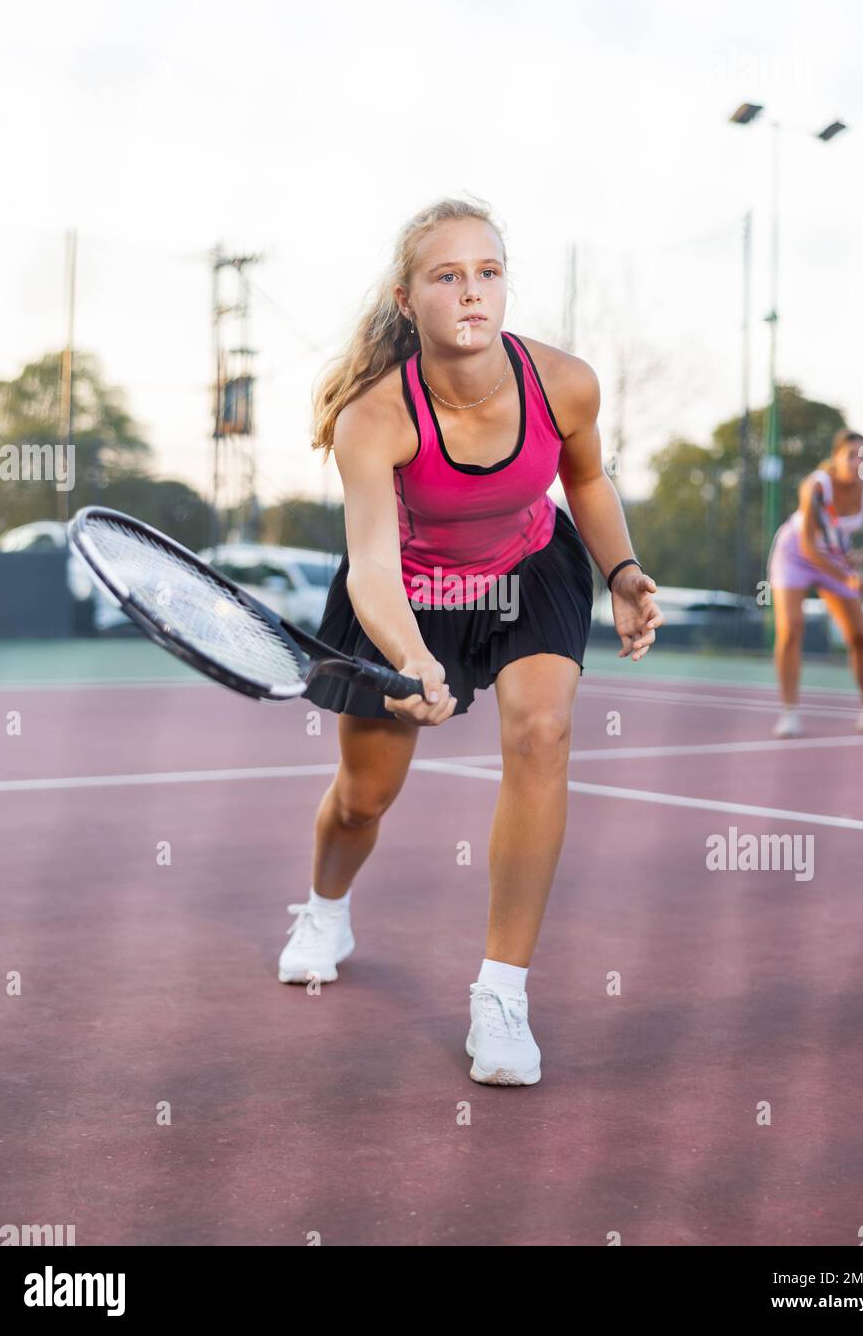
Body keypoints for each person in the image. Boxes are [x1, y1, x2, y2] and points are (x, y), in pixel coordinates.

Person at [278, 196, 663, 1086]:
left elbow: (589, 479)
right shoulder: (374, 417)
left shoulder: (564, 382)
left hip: (529, 569)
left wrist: (623, 573)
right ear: (408, 301)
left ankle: (502, 993)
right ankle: (325, 908)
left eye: (488, 271)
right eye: (447, 275)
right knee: (365, 796)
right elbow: (372, 568)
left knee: (542, 735)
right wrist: (414, 661)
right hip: (409, 593)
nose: (472, 291)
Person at [767, 428, 863, 738]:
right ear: (836, 457)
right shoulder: (815, 485)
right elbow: (810, 546)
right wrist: (850, 577)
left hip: (836, 560)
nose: (857, 462)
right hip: (794, 556)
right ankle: (789, 714)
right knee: (791, 629)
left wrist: (860, 559)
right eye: (850, 456)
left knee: (861, 636)